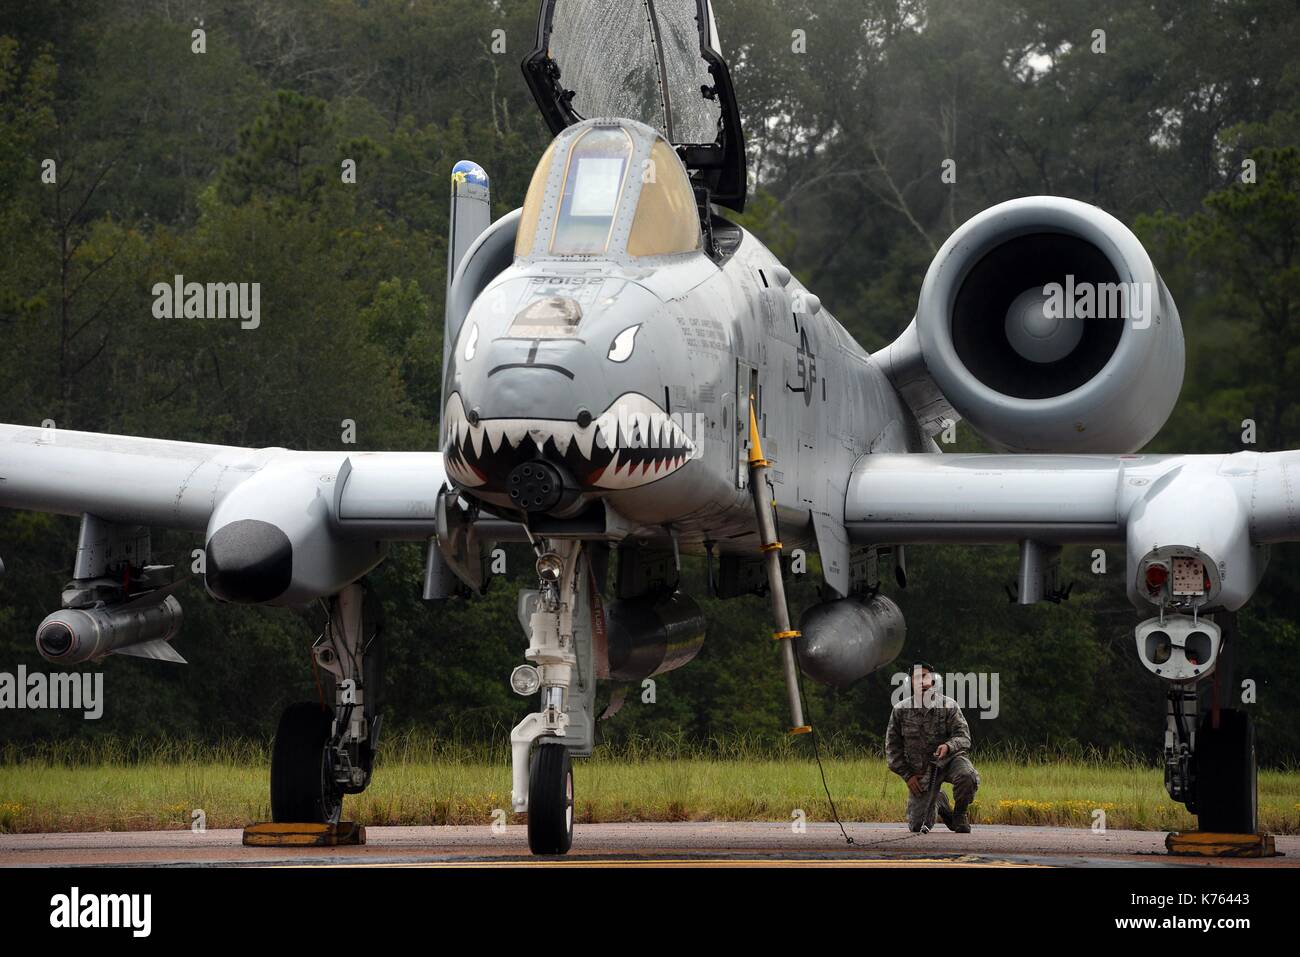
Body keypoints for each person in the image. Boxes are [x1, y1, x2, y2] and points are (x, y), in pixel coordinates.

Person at [885, 661, 980, 833]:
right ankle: (939, 801)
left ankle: (960, 814)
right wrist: (908, 776)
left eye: (925, 677)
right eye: (917, 678)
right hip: (922, 772)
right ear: (910, 684)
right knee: (917, 826)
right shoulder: (900, 710)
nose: (922, 681)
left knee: (967, 775)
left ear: (933, 682)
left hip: (950, 761)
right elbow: (892, 749)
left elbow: (964, 737)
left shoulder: (949, 706)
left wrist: (949, 746)